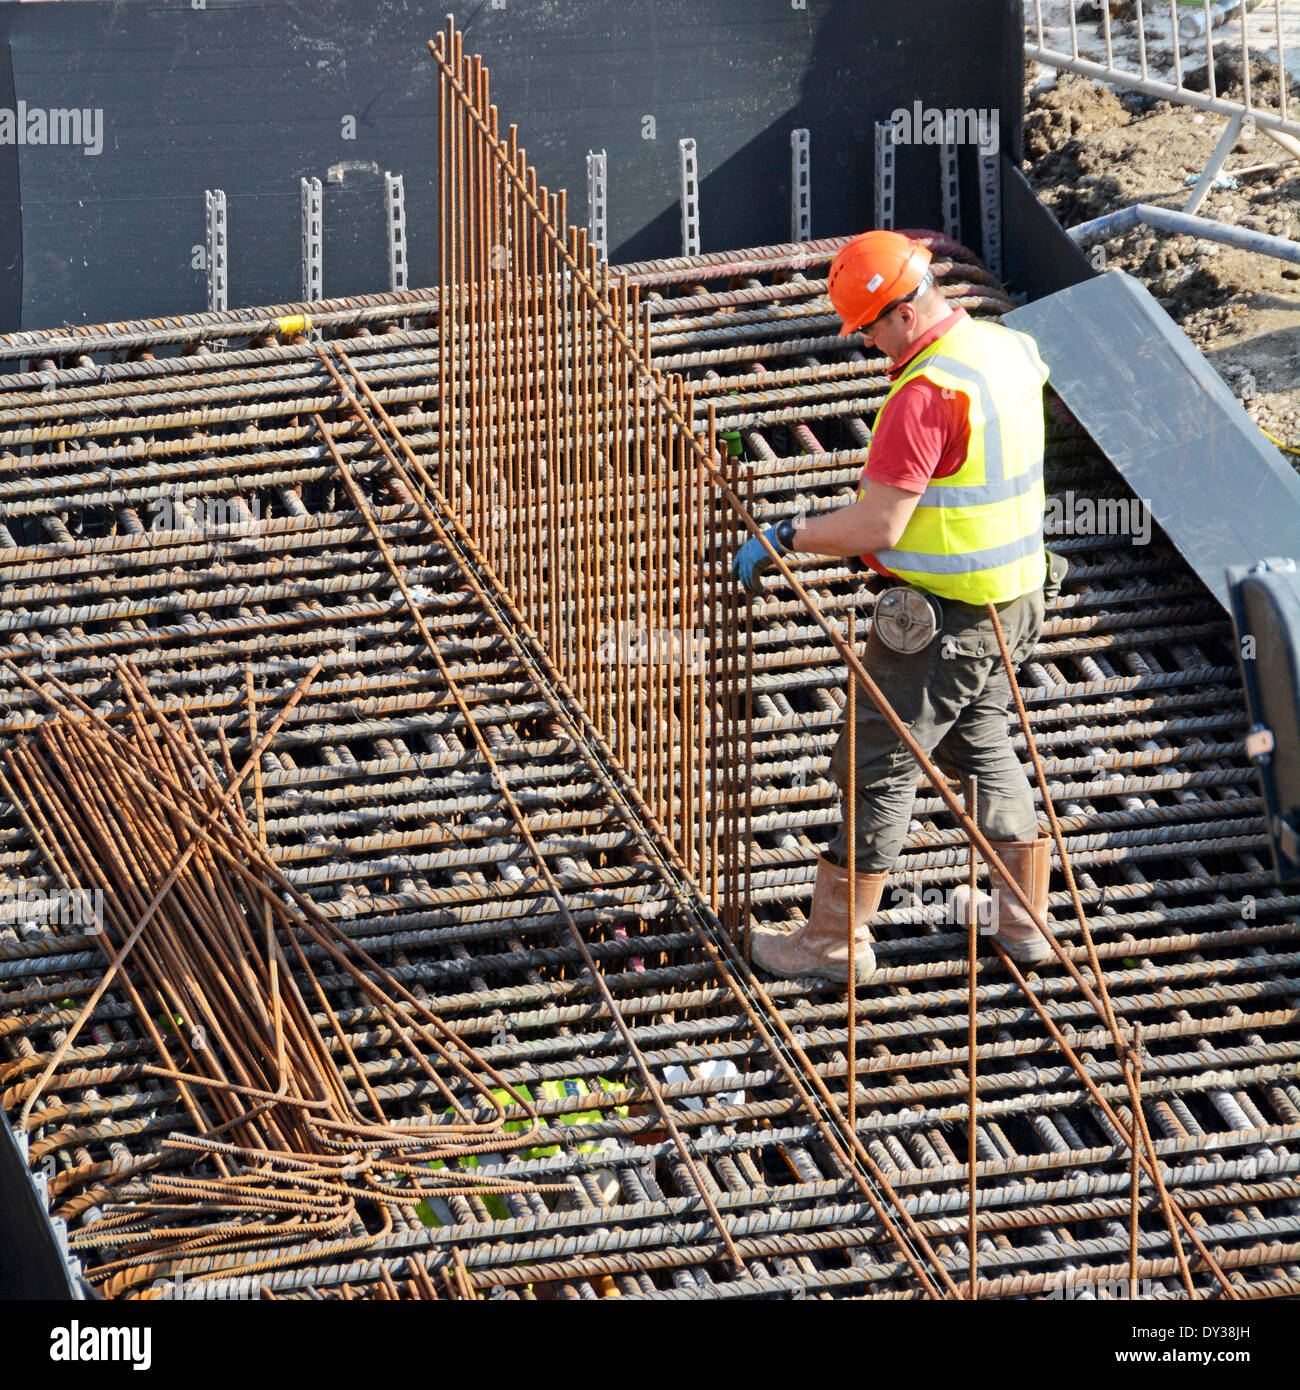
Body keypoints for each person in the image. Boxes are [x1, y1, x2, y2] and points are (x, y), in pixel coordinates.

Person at [729, 229, 1060, 983]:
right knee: (977, 744)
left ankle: (833, 943)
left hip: (941, 618)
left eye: (869, 328)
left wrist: (787, 534)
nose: (870, 343)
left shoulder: (924, 396)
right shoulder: (1004, 349)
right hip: (1014, 597)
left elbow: (879, 525)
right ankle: (1025, 920)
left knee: (874, 758)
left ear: (903, 313)